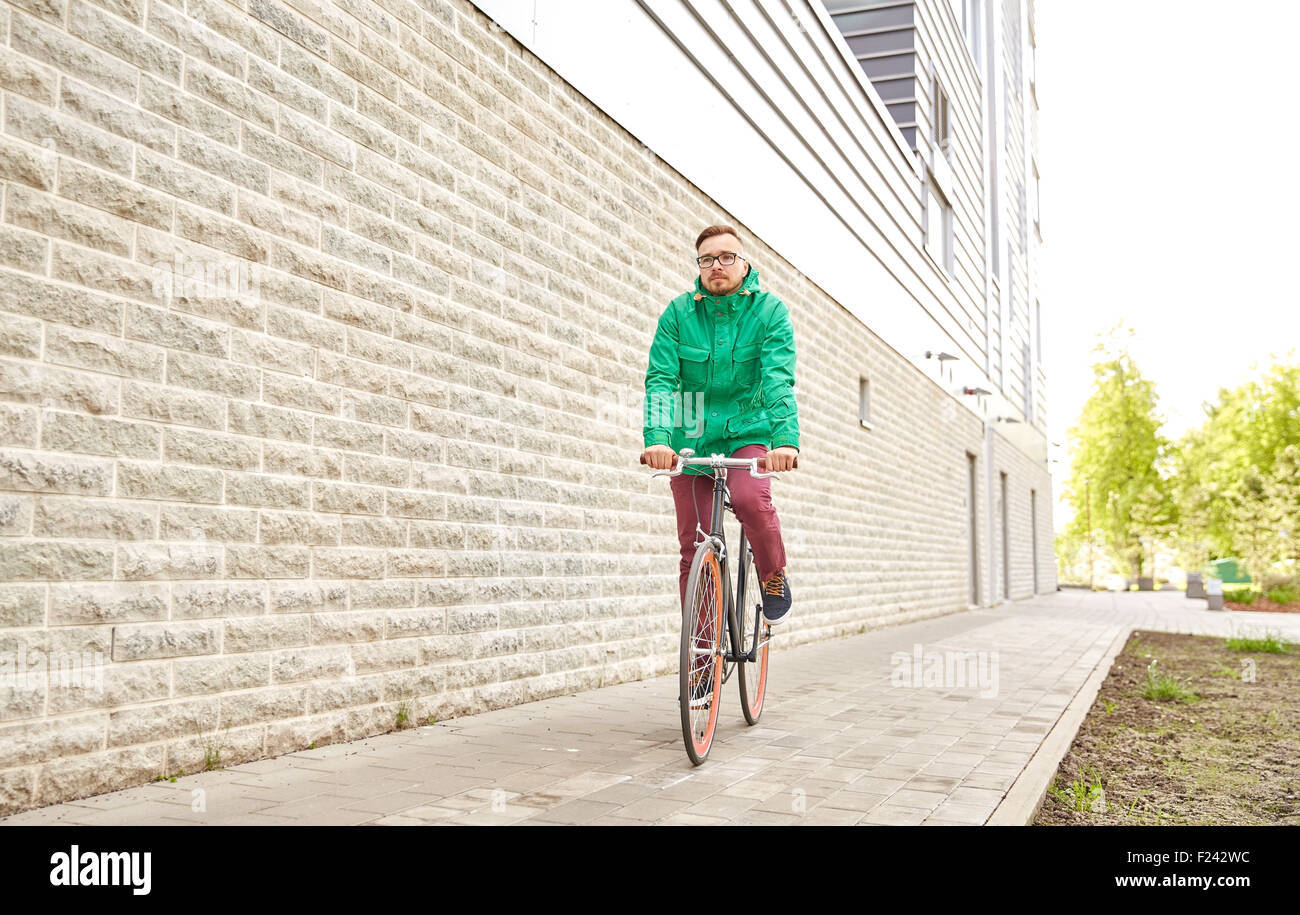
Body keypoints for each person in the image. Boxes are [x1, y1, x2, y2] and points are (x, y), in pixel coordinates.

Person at [641, 225, 799, 626]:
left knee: (750, 501)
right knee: (694, 548)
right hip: (690, 432)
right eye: (708, 259)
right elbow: (661, 378)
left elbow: (778, 378)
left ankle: (772, 573)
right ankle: (700, 662)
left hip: (748, 429)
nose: (717, 265)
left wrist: (784, 440)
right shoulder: (678, 313)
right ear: (699, 266)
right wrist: (659, 438)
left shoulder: (769, 312)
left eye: (727, 257)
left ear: (744, 264)